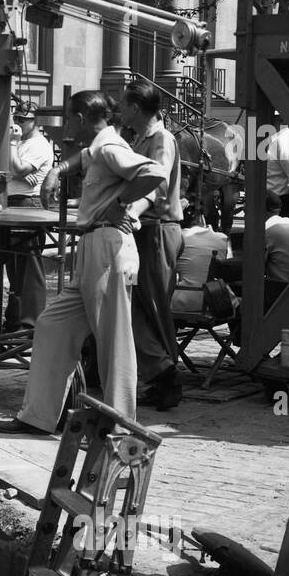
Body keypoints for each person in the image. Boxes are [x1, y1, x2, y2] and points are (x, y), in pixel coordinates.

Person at [0, 90, 165, 435]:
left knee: (113, 341)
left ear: (83, 118)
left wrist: (121, 204)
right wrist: (58, 169)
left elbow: (154, 172)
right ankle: (38, 417)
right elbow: (85, 156)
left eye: (71, 117)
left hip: (107, 247)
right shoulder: (100, 145)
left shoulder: (109, 146)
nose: (68, 124)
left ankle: (119, 426)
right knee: (52, 327)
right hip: (93, 246)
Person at [119, 79, 184, 412]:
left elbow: (157, 183)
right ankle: (159, 375)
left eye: (122, 105)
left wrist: (134, 209)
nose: (118, 109)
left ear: (134, 108)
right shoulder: (141, 138)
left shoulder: (162, 139)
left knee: (155, 309)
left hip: (158, 229)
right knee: (139, 308)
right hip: (146, 229)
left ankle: (168, 379)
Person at [3, 99, 54, 331]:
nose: (19, 123)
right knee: (14, 266)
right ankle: (14, 319)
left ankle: (31, 323)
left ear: (35, 121)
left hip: (28, 203)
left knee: (29, 265)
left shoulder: (38, 145)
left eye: (24, 120)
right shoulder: (19, 143)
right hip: (12, 200)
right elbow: (7, 169)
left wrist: (16, 166)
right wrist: (15, 170)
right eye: (17, 118)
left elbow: (19, 169)